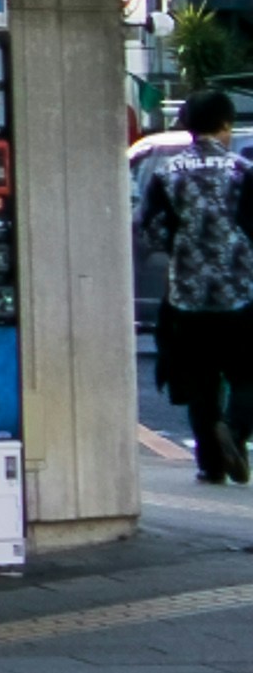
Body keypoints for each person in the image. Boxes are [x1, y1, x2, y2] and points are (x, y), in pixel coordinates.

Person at [139, 89, 253, 482]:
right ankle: (236, 432)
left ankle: (211, 464)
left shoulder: (165, 174)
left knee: (201, 380)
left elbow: (150, 230)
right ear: (224, 125)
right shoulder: (242, 171)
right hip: (239, 294)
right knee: (245, 375)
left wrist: (182, 245)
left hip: (186, 296)